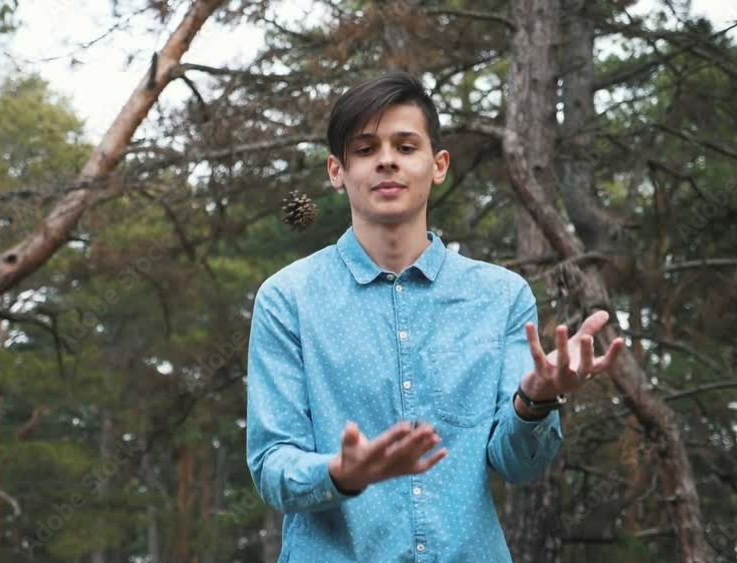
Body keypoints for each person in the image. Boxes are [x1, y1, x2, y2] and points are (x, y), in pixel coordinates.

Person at [245, 71, 624, 562]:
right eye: (365, 149)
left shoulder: (501, 297)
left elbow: (518, 463)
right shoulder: (288, 299)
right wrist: (341, 472)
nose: (386, 160)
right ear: (336, 171)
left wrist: (536, 400)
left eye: (405, 146)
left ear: (438, 164)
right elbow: (272, 466)